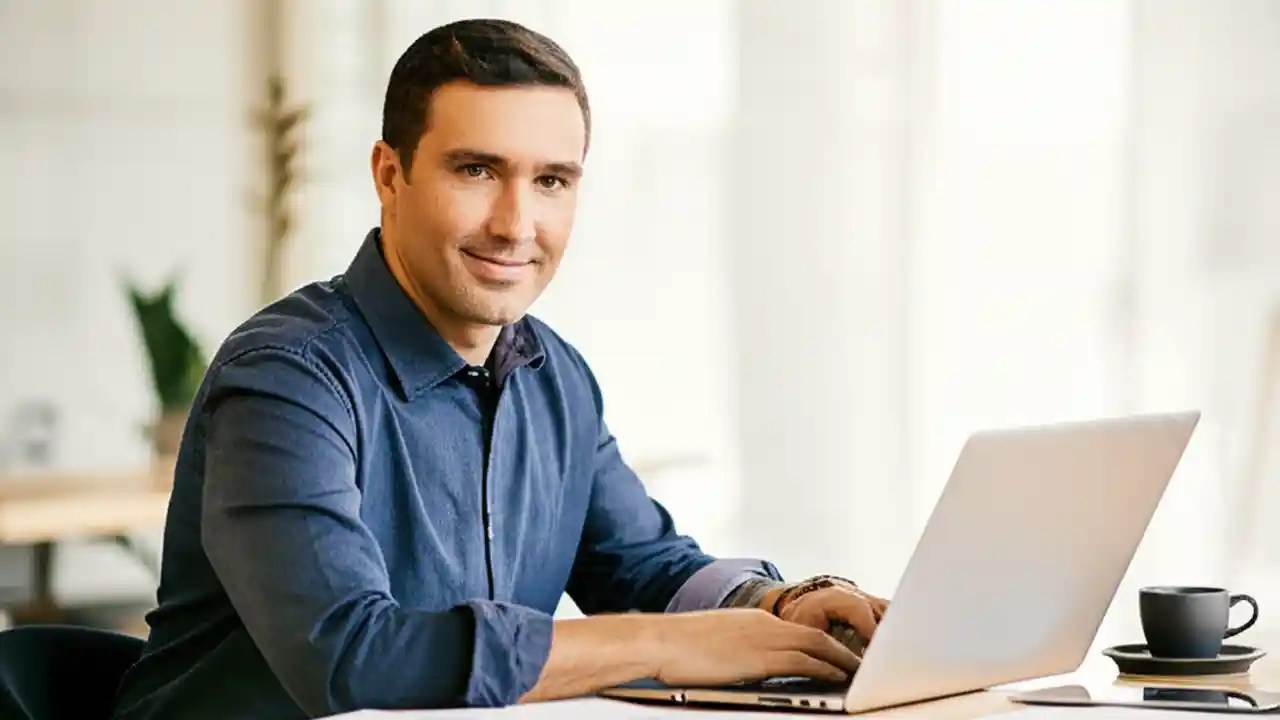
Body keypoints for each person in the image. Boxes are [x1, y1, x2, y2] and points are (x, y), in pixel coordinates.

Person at [110, 18, 888, 720]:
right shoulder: (289, 377)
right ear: (389, 174)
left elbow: (645, 569)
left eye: (551, 180)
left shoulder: (555, 375)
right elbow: (346, 654)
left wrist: (780, 606)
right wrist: (662, 647)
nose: (518, 224)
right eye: (477, 171)